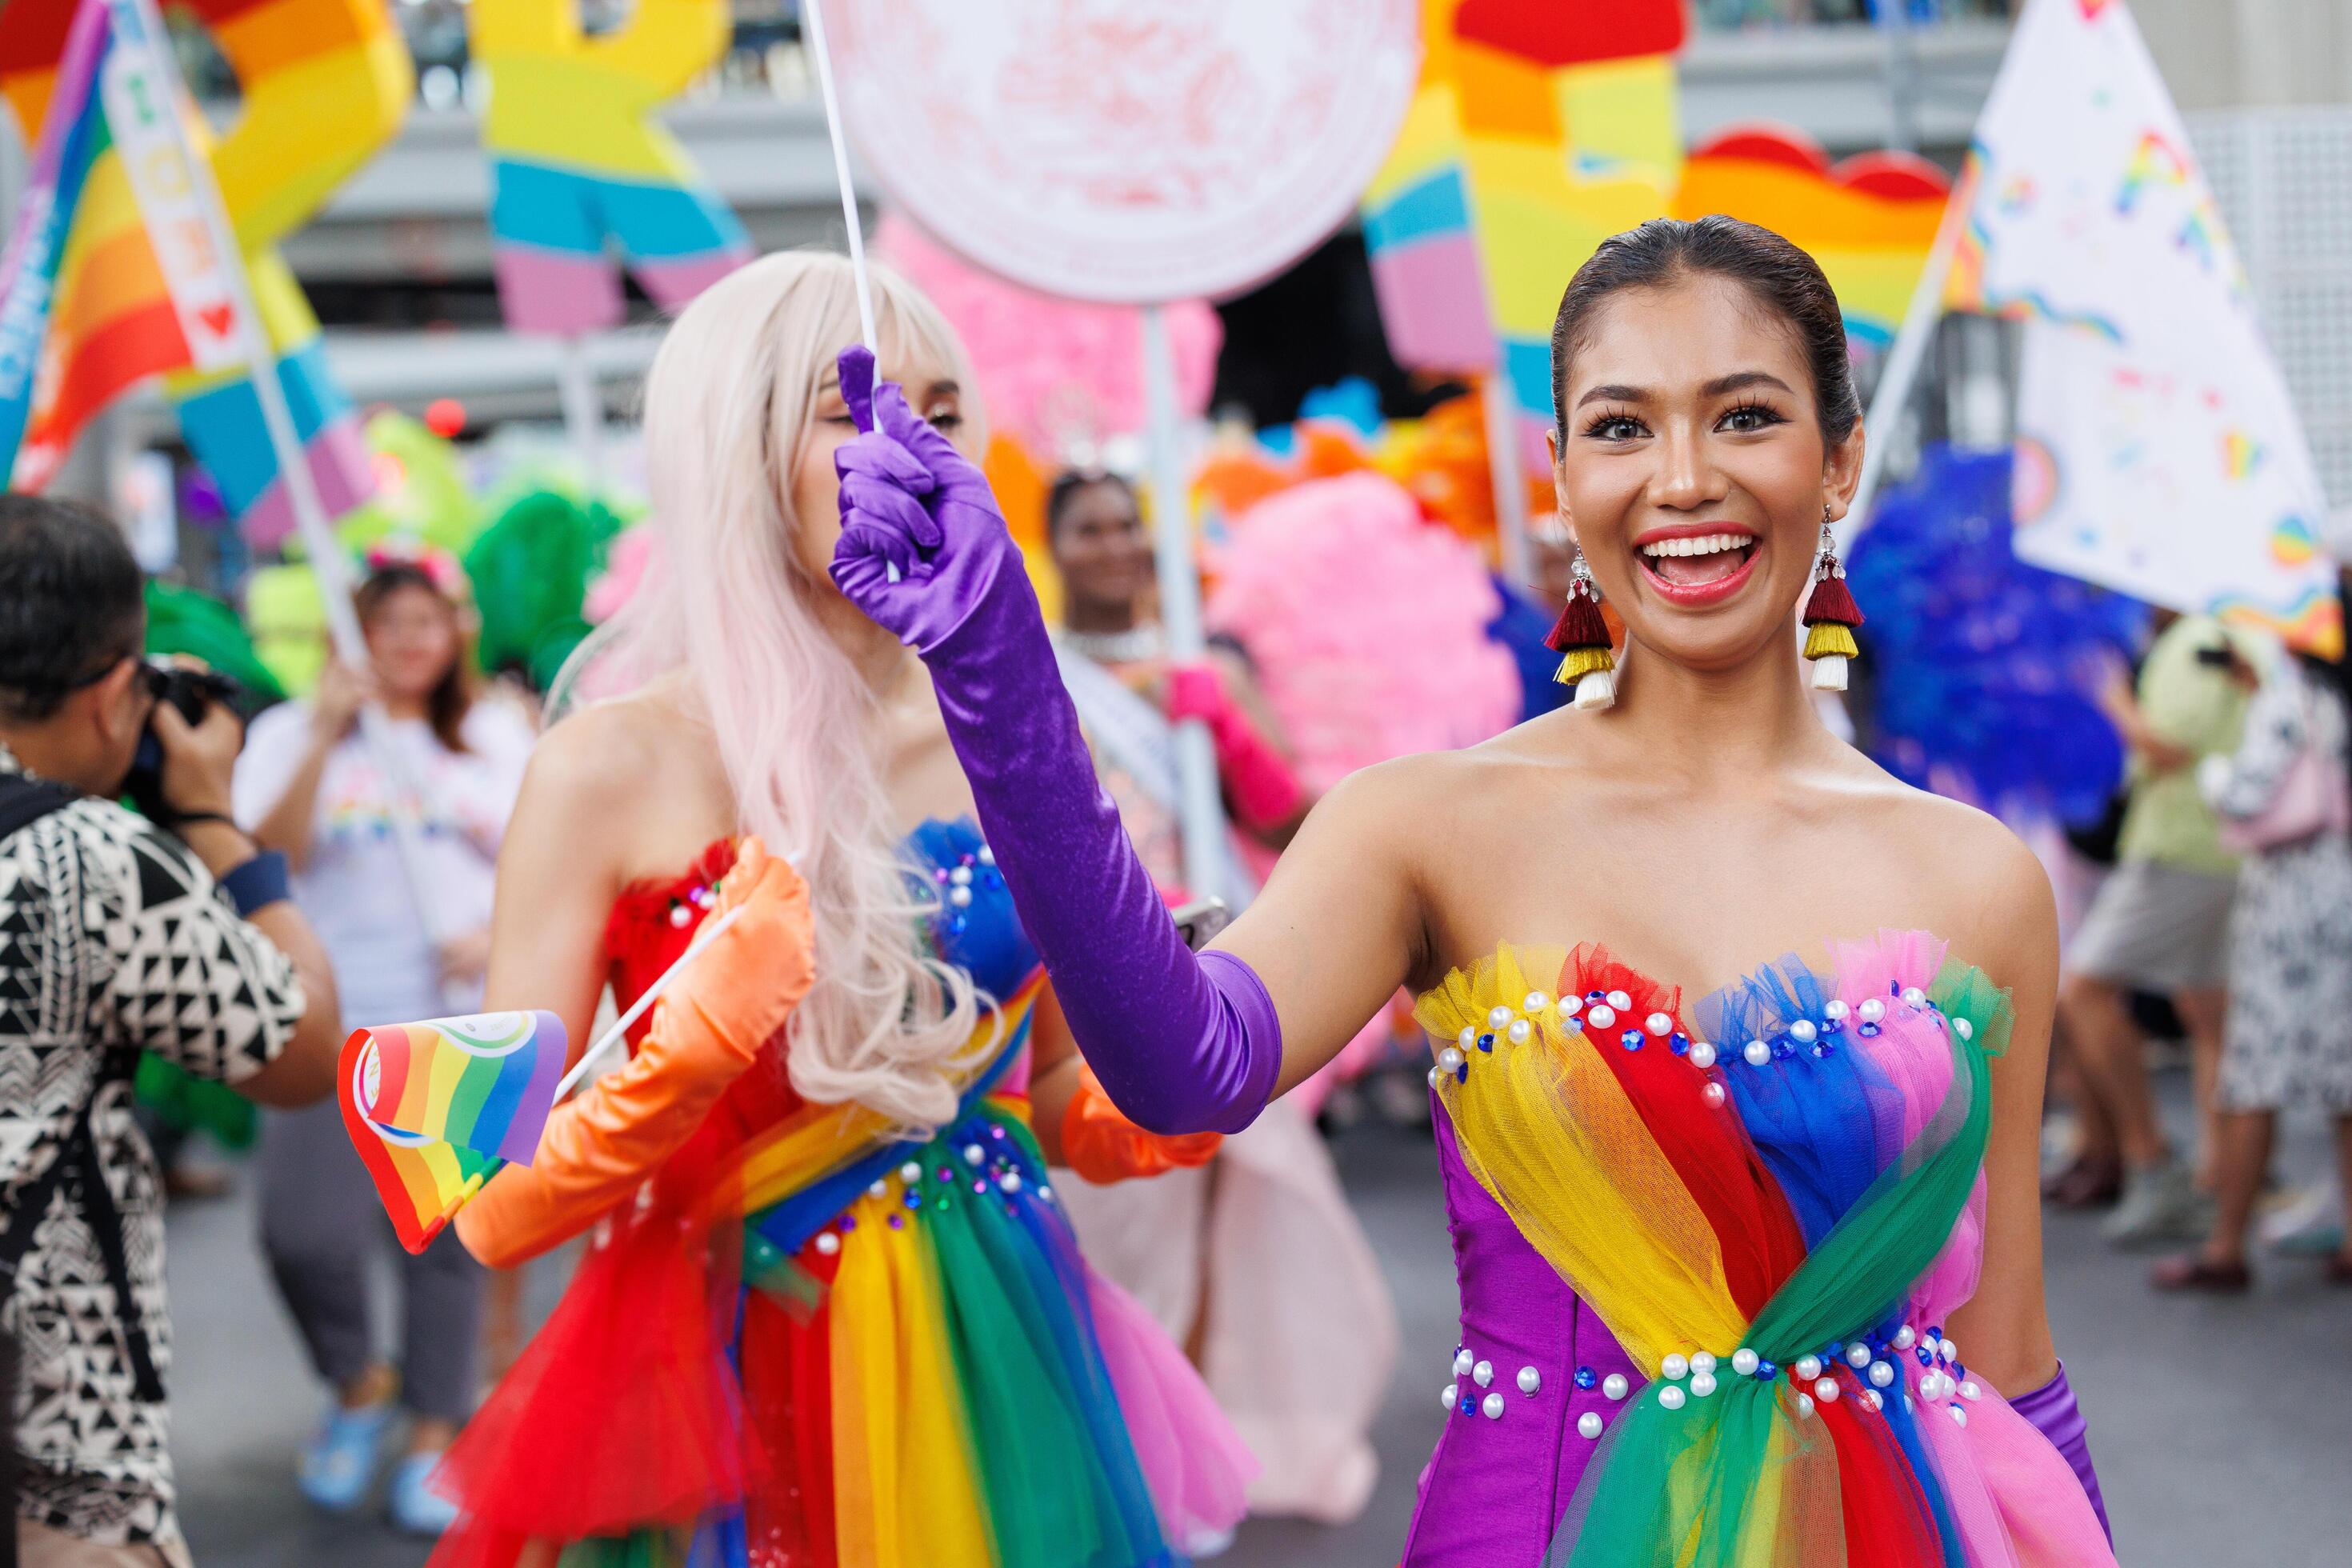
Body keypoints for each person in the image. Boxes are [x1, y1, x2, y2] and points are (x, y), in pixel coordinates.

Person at [830, 217, 2116, 1563]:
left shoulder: (1977, 880)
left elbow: (2011, 1361)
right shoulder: (1426, 823)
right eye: (1622, 429)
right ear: (1558, 477)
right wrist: (999, 672)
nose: (1683, 480)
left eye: (1744, 417)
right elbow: (1177, 1068)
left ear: (1838, 457)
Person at [426, 252, 1249, 1566]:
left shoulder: (1018, 737)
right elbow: (486, 1194)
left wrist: (1179, 1089)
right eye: (849, 407)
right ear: (741, 449)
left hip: (1006, 1352)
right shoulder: (604, 765)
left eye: (943, 407)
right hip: (736, 1368)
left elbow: (1048, 1095)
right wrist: (685, 1049)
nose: (908, 448)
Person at [1043, 469, 1398, 1523]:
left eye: (1128, 522)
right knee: (1107, 1233)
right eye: (1090, 528)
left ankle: (1183, 1455)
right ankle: (1107, 1455)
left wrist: (1225, 728)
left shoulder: (1212, 663)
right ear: (1053, 546)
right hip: (1086, 990)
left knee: (1236, 1221)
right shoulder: (1031, 674)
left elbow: (1295, 821)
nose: (1114, 544)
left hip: (1212, 979)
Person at [0, 496, 342, 1567]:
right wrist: (207, 819)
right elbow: (303, 1049)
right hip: (58, 1452)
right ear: (112, 695)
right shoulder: (93, 857)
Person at [231, 556, 534, 1533]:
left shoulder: (491, 734)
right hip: (324, 1024)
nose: (409, 640)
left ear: (454, 632)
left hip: (454, 1026)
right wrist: (325, 729)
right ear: (351, 632)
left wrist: (494, 938)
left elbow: (549, 861)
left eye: (426, 621)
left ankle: (434, 1434)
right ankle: (358, 1384)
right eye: (387, 621)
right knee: (300, 1235)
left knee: (443, 1247)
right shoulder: (287, 733)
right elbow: (260, 860)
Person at [2153, 578, 2352, 1294]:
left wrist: (2214, 769)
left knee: (2254, 1074)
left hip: (2288, 898)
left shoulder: (2286, 697)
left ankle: (2226, 1245)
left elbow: (2245, 792)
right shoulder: (2333, 694)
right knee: (2342, 1076)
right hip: (2342, 891)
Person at [2055, 610, 2254, 1246]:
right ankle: (2217, 1182)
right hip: (2202, 849)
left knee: (2084, 991)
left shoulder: (2200, 637)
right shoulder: (2208, 636)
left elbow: (2168, 748)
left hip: (2181, 850)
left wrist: (2110, 695)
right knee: (2210, 1019)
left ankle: (2152, 1161)